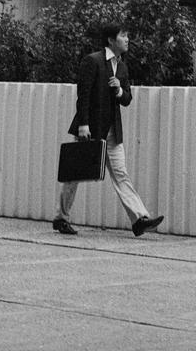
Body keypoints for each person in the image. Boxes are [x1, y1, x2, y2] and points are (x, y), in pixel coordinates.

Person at [52, 21, 164, 238]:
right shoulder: (92, 61)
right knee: (75, 174)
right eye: (123, 36)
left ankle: (139, 219)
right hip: (91, 129)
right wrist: (83, 124)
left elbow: (127, 99)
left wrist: (119, 90)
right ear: (111, 40)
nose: (127, 39)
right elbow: (83, 95)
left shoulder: (122, 67)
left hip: (113, 131)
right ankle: (61, 218)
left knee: (121, 174)